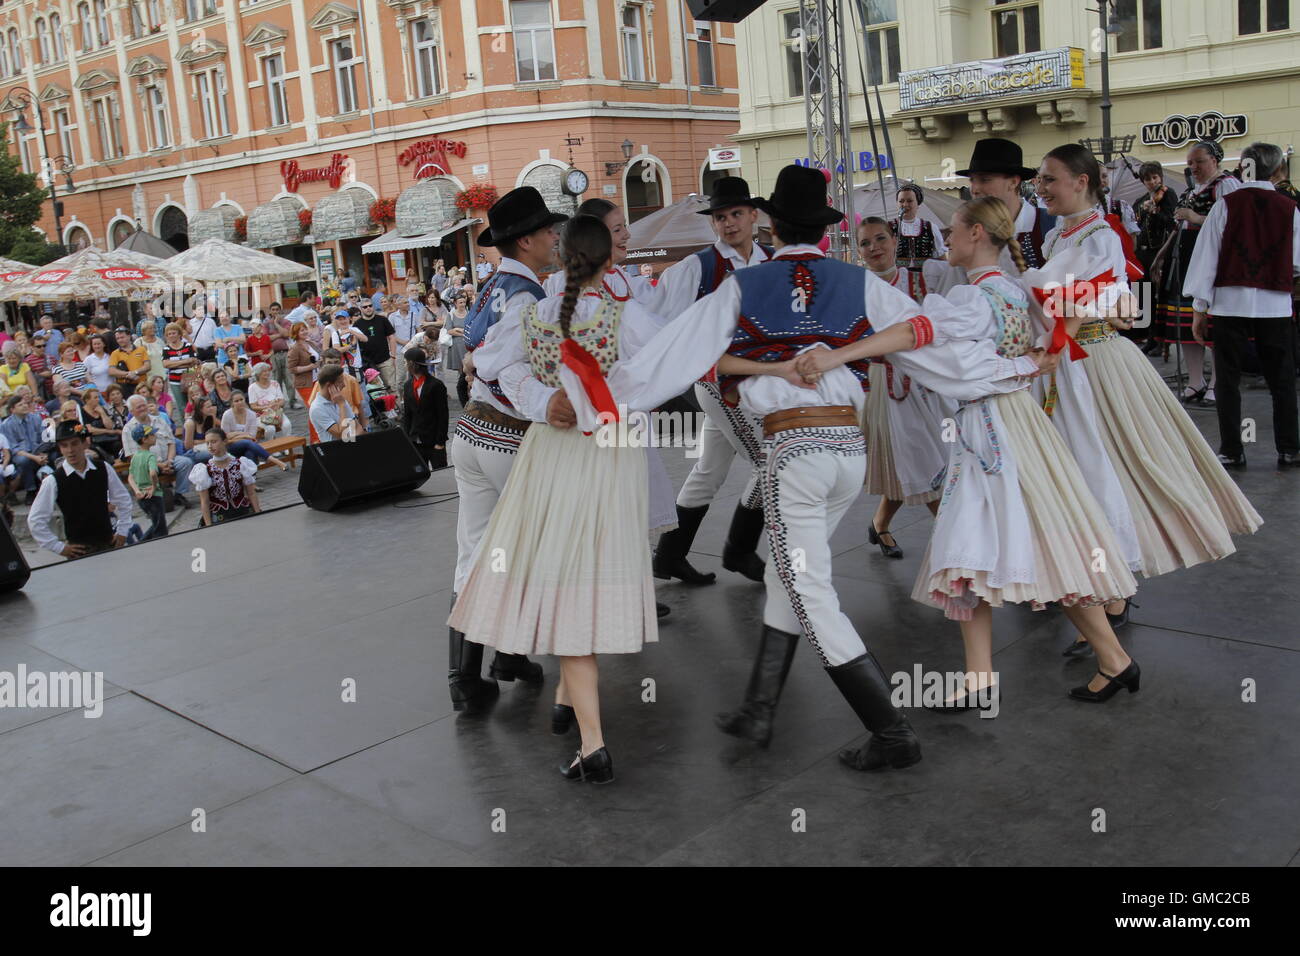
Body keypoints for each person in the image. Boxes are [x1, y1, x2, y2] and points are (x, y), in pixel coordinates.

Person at [551, 167, 1046, 768]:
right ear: (823, 229)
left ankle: (891, 730)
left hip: (795, 453)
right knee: (792, 577)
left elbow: (669, 358)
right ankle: (759, 706)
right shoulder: (860, 283)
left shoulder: (743, 286)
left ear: (772, 226)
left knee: (809, 589)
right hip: (847, 451)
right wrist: (1016, 368)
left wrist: (590, 403)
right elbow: (928, 345)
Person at [796, 195, 1140, 708]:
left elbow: (917, 333)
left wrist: (837, 355)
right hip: (1014, 424)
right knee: (1004, 549)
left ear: (977, 233)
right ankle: (1037, 669)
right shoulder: (1013, 289)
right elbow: (1060, 323)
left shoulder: (975, 299)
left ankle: (1098, 661)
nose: (946, 237)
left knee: (984, 550)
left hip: (992, 431)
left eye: (953, 229)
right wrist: (1036, 359)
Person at [451, 215, 674, 783]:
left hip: (550, 454)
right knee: (587, 582)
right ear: (607, 259)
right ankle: (588, 737)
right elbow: (669, 367)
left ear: (563, 255)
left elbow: (484, 363)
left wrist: (542, 398)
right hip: (610, 455)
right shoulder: (627, 316)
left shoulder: (531, 314)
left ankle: (572, 712)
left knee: (560, 579)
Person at [1034, 143, 1262, 647]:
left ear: (1081, 182)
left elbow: (1090, 301)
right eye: (1040, 179)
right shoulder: (1058, 236)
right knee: (1080, 471)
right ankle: (1097, 583)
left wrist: (1058, 329)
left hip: (1095, 362)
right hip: (1066, 361)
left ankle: (1112, 587)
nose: (1041, 187)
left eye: (1049, 178)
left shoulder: (1100, 235)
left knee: (1112, 469)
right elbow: (1103, 301)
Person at [447, 185, 566, 711]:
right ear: (525, 241)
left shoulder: (492, 286)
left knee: (475, 552)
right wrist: (550, 404)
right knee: (532, 551)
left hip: (471, 431)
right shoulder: (525, 298)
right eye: (547, 230)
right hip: (507, 437)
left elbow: (474, 355)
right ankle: (510, 655)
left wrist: (477, 365)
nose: (555, 237)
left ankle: (466, 676)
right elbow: (506, 367)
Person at [644, 176, 773, 585]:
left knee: (709, 472)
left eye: (736, 214)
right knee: (770, 463)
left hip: (760, 384)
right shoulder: (697, 268)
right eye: (720, 217)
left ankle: (669, 556)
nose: (728, 223)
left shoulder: (772, 261)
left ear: (753, 216)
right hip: (720, 384)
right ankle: (739, 550)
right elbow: (656, 322)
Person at [1184, 141, 1300, 470]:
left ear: (1242, 167)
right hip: (1274, 304)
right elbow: (1296, 262)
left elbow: (1206, 259)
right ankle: (1290, 449)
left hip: (1228, 303)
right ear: (1277, 170)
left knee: (1228, 380)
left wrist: (1199, 308)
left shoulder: (1225, 206)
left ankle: (1233, 450)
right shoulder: (1289, 208)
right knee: (1282, 379)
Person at [853, 216, 951, 558]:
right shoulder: (858, 289)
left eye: (880, 238)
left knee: (913, 457)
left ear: (895, 240)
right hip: (881, 384)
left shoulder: (920, 279)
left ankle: (880, 524)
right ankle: (954, 536)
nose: (874, 247)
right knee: (917, 457)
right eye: (865, 243)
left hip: (923, 383)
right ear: (859, 251)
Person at [1161, 141, 1241, 405]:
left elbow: (1232, 224)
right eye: (1190, 163)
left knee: (1213, 324)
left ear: (1215, 160)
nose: (1193, 167)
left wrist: (1194, 217)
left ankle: (1217, 383)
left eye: (1199, 162)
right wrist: (1161, 257)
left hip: (1212, 261)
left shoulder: (1226, 185)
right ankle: (1196, 380)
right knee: (1185, 323)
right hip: (1185, 260)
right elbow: (1178, 228)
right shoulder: (1191, 190)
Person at [27, 420, 133, 558]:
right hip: (79, 551)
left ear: (84, 443)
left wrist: (123, 530)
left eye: (74, 443)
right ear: (60, 448)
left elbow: (123, 499)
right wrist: (58, 547)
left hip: (108, 543)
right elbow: (35, 519)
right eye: (64, 446)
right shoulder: (53, 480)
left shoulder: (103, 468)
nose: (70, 450)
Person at [959, 137, 1057, 270]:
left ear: (1013, 182)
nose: (974, 189)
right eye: (972, 181)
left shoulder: (1051, 225)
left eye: (985, 180)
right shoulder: (971, 231)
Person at [1135, 161, 1178, 353]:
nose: (1152, 182)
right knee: (1144, 296)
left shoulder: (1168, 195)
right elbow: (1138, 226)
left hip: (1159, 252)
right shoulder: (1142, 200)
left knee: (1159, 297)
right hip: (1142, 252)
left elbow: (1171, 222)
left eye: (1155, 177)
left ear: (1160, 177)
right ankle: (1148, 336)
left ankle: (1160, 339)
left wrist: (1155, 212)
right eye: (1148, 179)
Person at [190, 427, 261, 525]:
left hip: (243, 512)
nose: (210, 446)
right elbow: (204, 502)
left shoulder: (241, 464)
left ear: (224, 441)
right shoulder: (204, 470)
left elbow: (251, 493)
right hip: (219, 518)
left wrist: (258, 514)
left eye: (214, 442)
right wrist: (208, 526)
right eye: (207, 443)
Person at [399, 346, 448, 468]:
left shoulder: (436, 385)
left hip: (434, 440)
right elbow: (407, 414)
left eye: (405, 362)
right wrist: (407, 439)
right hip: (415, 440)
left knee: (440, 472)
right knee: (419, 472)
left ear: (412, 364)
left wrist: (440, 442)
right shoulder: (407, 385)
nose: (404, 364)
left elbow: (443, 415)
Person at [222, 390, 290, 470]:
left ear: (244, 400)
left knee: (250, 452)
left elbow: (252, 436)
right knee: (247, 443)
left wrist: (236, 434)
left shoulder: (251, 414)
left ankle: (252, 473)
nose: (240, 402)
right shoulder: (227, 415)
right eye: (236, 401)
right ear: (232, 403)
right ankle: (276, 461)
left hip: (248, 444)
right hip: (231, 446)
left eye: (241, 400)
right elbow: (225, 437)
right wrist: (244, 435)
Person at [1, 394, 47, 503]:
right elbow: (14, 449)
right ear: (12, 409)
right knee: (24, 461)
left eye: (25, 403)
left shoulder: (36, 418)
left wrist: (43, 452)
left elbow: (44, 438)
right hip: (21, 454)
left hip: (38, 451)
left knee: (54, 455)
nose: (25, 406)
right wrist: (34, 457)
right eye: (20, 405)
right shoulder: (7, 425)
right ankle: (31, 490)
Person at [891, 183, 947, 271]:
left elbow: (942, 260)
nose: (905, 204)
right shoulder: (888, 228)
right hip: (898, 277)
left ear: (918, 204)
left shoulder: (931, 228)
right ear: (897, 204)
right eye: (901, 201)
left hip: (925, 277)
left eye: (909, 201)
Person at [126, 422, 167, 540]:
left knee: (157, 524)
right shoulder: (150, 456)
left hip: (141, 497)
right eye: (152, 435)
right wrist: (154, 486)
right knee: (160, 529)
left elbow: (130, 477)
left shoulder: (135, 457)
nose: (155, 436)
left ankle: (142, 542)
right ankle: (143, 544)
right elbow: (153, 473)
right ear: (144, 439)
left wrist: (137, 491)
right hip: (153, 495)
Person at [309, 365, 359, 442]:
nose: (344, 385)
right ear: (329, 385)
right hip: (335, 447)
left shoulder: (340, 399)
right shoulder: (317, 408)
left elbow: (357, 426)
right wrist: (341, 406)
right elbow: (341, 435)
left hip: (353, 442)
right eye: (340, 382)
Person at [354, 298, 395, 389]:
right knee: (375, 390)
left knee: (391, 387)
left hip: (385, 360)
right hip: (368, 363)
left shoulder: (383, 320)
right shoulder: (357, 324)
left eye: (370, 306)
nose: (368, 308)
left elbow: (391, 337)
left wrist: (393, 355)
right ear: (361, 309)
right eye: (365, 307)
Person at [441, 292, 470, 405]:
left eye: (464, 302)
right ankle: (463, 393)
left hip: (467, 345)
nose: (462, 304)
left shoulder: (469, 312)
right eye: (460, 302)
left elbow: (471, 327)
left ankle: (469, 391)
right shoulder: (451, 314)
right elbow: (449, 330)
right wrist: (463, 332)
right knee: (461, 370)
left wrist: (458, 329)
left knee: (469, 369)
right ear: (455, 304)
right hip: (456, 345)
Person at [108, 326, 151, 391]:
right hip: (124, 386)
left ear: (129, 336)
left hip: (141, 385)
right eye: (117, 338)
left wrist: (135, 372)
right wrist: (128, 374)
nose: (120, 340)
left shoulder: (141, 349)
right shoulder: (115, 353)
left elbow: (148, 366)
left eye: (122, 337)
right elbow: (111, 371)